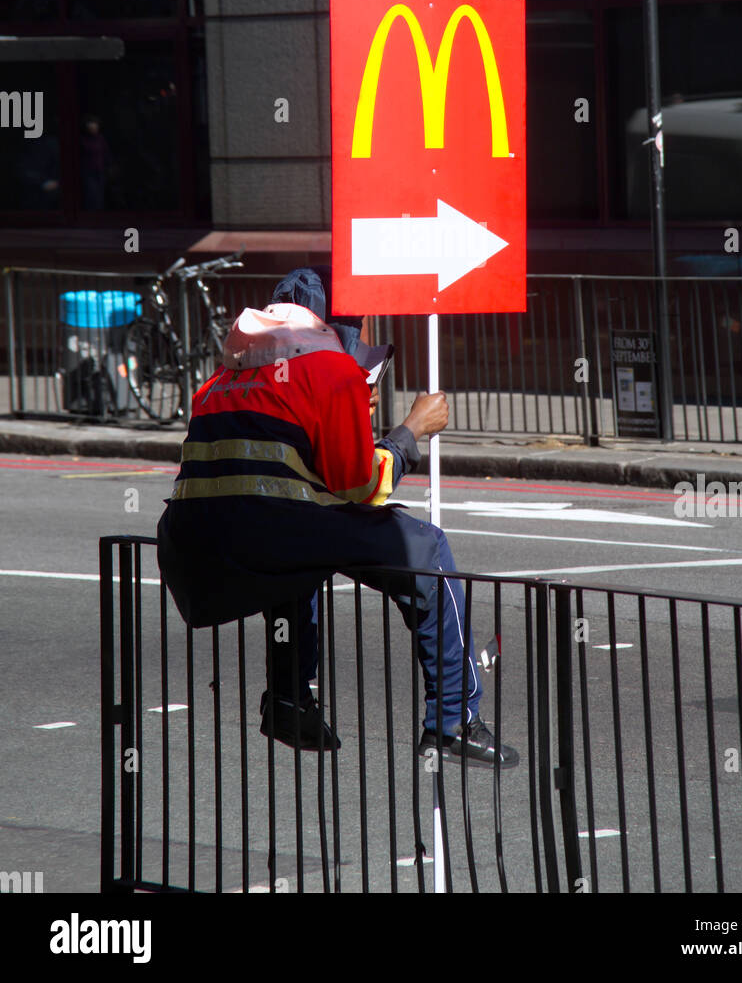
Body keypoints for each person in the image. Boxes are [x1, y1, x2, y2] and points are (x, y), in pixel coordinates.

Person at [157, 267, 518, 768]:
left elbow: (280, 473)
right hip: (265, 530)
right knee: (426, 549)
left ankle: (288, 702)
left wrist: (344, 411)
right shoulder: (329, 370)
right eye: (359, 327)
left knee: (296, 563)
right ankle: (453, 722)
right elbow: (361, 487)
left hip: (191, 552)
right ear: (335, 324)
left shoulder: (221, 379)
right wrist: (410, 430)